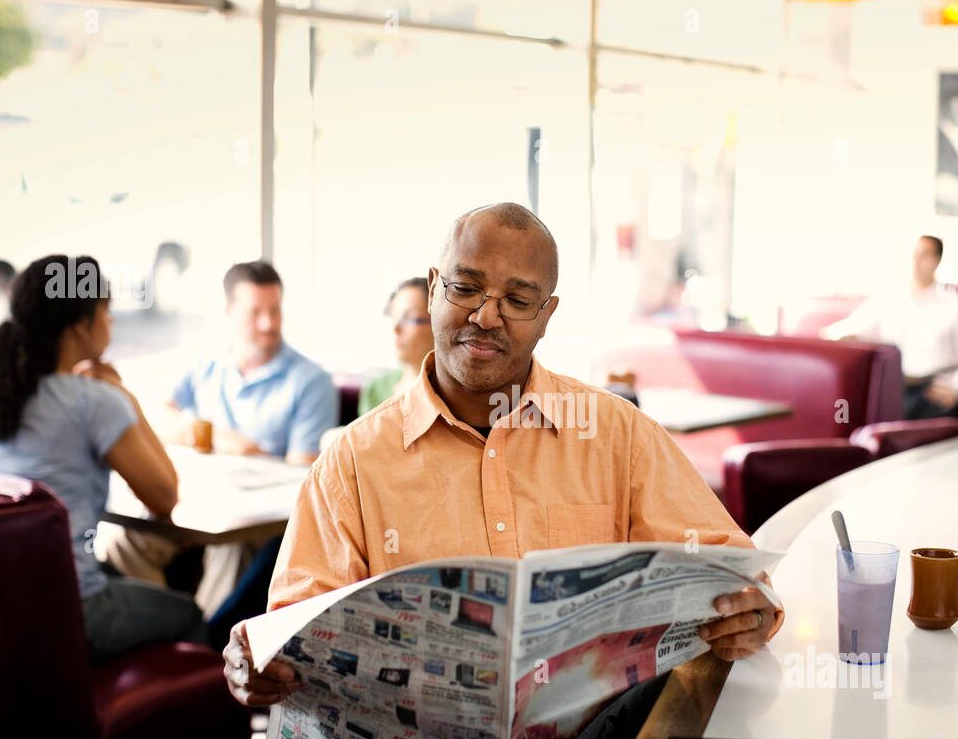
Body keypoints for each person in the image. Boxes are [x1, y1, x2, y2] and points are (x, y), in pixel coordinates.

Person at [223, 202, 784, 708]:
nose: (487, 317)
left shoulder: (620, 436)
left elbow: (734, 576)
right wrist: (258, 666)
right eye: (466, 289)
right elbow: (290, 638)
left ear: (547, 315)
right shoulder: (350, 463)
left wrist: (749, 614)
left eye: (518, 301)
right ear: (435, 285)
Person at [0, 254, 210, 662]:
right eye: (105, 312)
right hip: (68, 606)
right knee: (190, 613)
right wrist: (125, 396)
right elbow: (165, 496)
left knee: (127, 580)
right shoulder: (94, 401)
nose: (111, 323)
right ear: (80, 323)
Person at [100, 260, 338, 617]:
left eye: (275, 310)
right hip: (199, 502)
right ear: (229, 314)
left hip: (253, 519)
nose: (268, 323)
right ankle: (163, 641)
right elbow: (157, 417)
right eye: (255, 312)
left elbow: (302, 478)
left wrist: (249, 455)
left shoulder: (310, 381)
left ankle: (208, 648)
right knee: (128, 543)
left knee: (234, 547)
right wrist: (220, 440)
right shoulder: (206, 364)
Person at [821, 235, 958, 420]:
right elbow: (848, 329)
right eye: (913, 255)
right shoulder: (887, 300)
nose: (916, 261)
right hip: (891, 388)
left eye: (923, 255)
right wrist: (835, 339)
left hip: (931, 394)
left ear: (937, 260)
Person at [357, 277, 435, 416]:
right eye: (394, 316)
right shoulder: (376, 389)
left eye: (409, 318)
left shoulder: (454, 393)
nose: (396, 328)